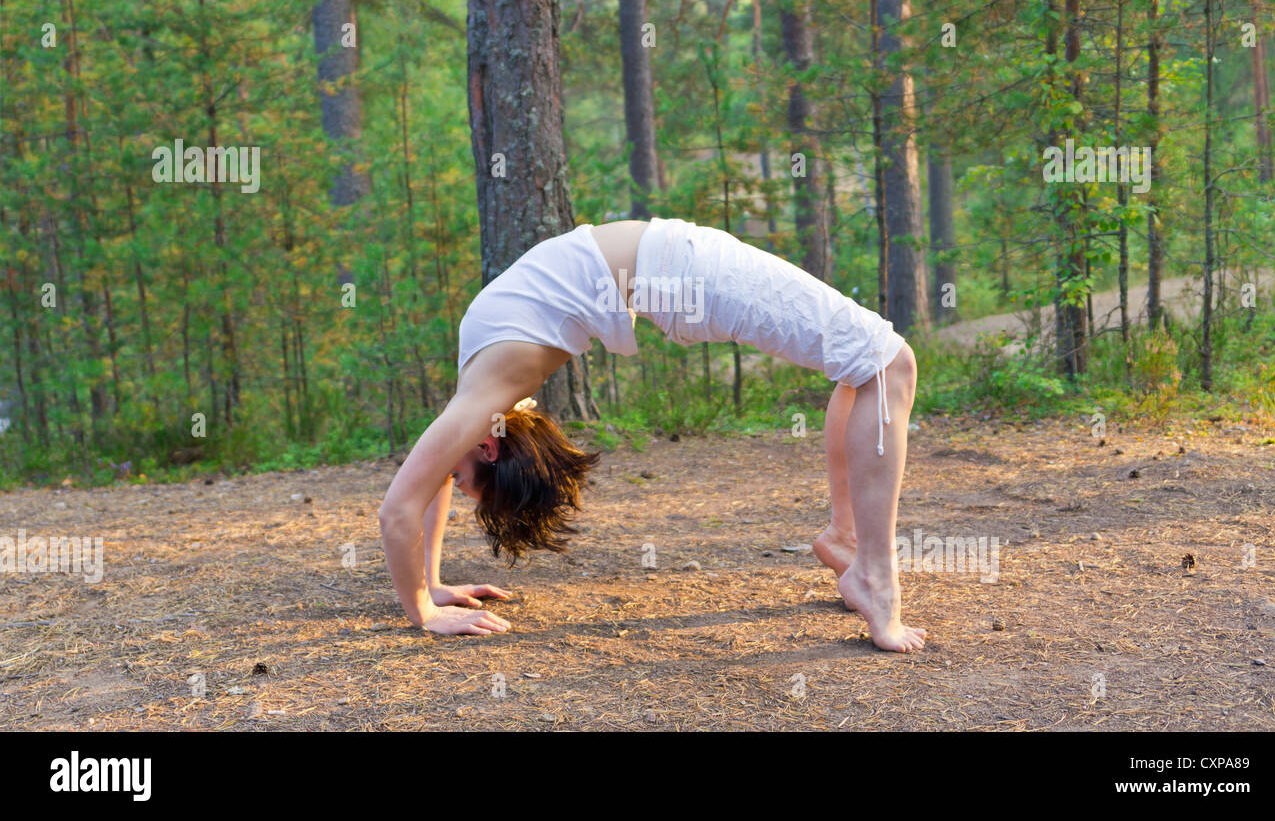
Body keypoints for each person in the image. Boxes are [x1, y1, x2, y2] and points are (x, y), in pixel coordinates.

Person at [378, 217, 926, 652]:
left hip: (680, 271)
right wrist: (426, 591)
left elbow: (400, 507)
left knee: (873, 366)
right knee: (885, 363)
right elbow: (429, 483)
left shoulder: (483, 396)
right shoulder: (485, 398)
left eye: (462, 479)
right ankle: (869, 570)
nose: (450, 478)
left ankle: (851, 546)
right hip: (679, 272)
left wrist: (424, 606)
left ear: (488, 447)